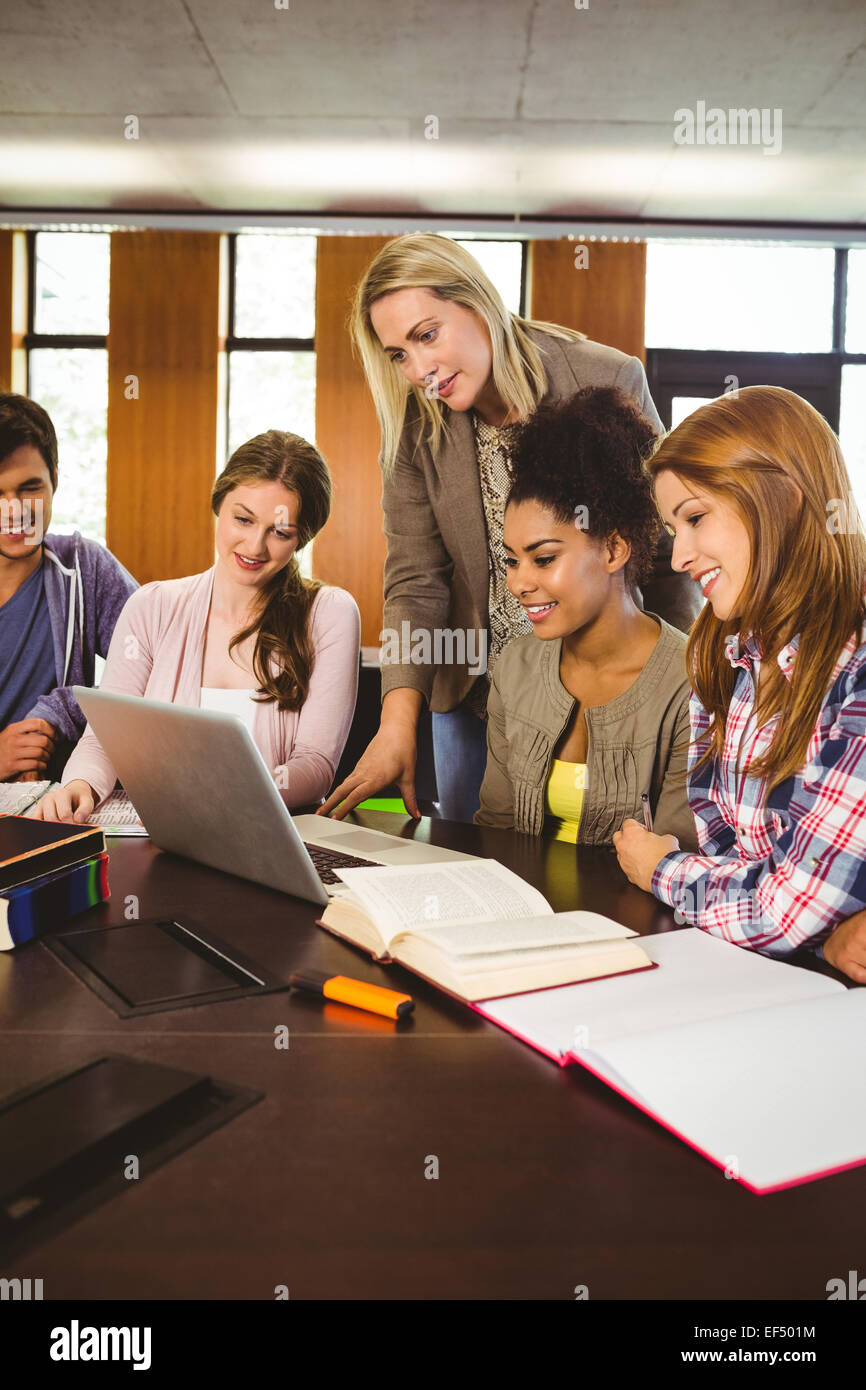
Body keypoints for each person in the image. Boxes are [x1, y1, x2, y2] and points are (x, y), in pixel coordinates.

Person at [318, 233, 700, 824]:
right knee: (486, 861)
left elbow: (664, 545)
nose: (420, 370)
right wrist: (397, 723)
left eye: (427, 335)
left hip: (602, 680)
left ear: (478, 303)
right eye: (398, 354)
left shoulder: (603, 376)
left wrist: (677, 688)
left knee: (603, 850)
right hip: (473, 690)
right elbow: (415, 580)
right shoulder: (416, 426)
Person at [613, 386, 866, 982]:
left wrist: (663, 871)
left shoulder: (855, 667)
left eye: (695, 518)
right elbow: (741, 868)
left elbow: (788, 905)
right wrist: (817, 937)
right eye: (674, 528)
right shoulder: (725, 660)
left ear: (781, 500)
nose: (678, 557)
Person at [31, 430, 361, 823]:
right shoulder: (151, 607)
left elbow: (316, 763)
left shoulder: (329, 614)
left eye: (280, 532)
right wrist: (79, 786)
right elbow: (106, 738)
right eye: (243, 519)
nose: (254, 547)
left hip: (269, 837)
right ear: (218, 503)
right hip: (164, 841)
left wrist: (228, 793)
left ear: (302, 538)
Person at [475, 387, 696, 848]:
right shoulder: (514, 668)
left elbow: (681, 860)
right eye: (512, 560)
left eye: (544, 558)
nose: (519, 583)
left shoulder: (689, 683)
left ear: (614, 549)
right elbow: (494, 834)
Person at [0, 393, 138, 783]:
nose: (14, 511)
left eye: (29, 488)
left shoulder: (85, 567)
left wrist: (64, 708)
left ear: (54, 480)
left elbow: (159, 667)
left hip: (59, 808)